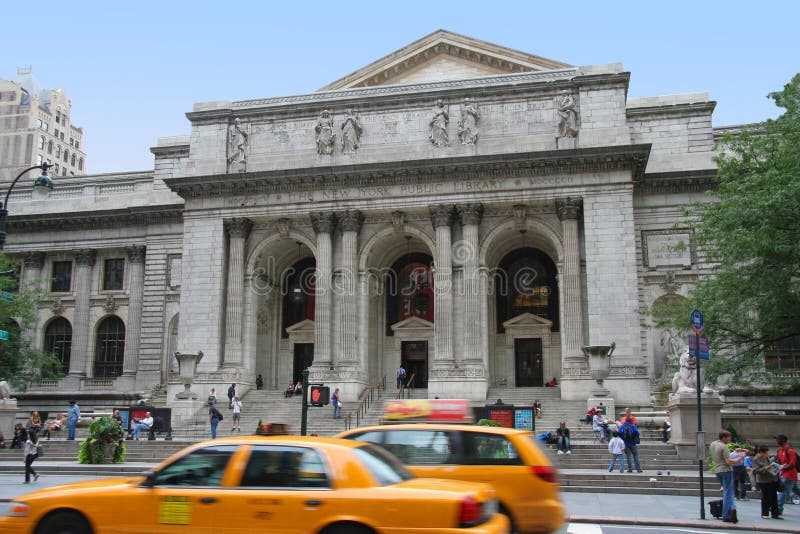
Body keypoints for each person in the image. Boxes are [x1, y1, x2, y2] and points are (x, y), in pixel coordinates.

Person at [710, 429, 738, 523]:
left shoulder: (713, 444)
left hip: (717, 470)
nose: (730, 439)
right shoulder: (724, 447)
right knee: (728, 493)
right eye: (729, 437)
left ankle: (733, 509)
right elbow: (728, 462)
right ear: (724, 437)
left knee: (729, 491)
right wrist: (739, 458)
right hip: (726, 470)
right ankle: (726, 514)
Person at [752, 445, 782, 519]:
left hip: (772, 479)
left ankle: (775, 514)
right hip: (763, 480)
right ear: (761, 452)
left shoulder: (767, 457)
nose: (767, 454)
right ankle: (764, 513)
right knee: (766, 497)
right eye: (766, 452)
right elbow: (755, 470)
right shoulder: (756, 459)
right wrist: (765, 468)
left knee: (773, 497)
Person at [775, 434, 800, 515]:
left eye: (778, 439)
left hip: (789, 475)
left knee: (783, 491)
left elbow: (792, 464)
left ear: (783, 440)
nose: (777, 441)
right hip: (784, 474)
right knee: (796, 490)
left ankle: (778, 509)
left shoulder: (789, 451)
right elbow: (779, 461)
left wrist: (781, 468)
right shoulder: (779, 450)